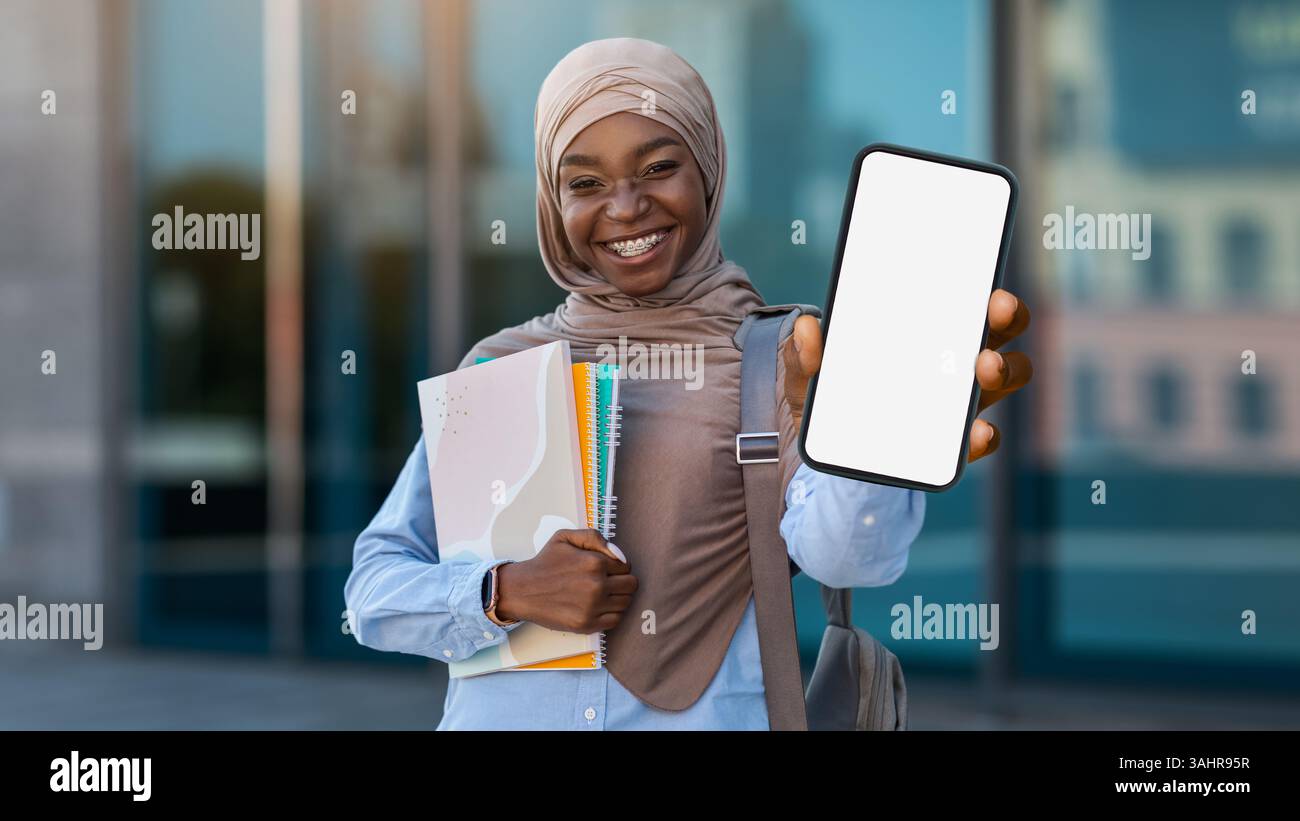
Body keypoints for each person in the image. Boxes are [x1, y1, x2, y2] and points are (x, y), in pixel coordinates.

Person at [344, 38, 1032, 730]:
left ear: (707, 169)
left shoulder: (783, 357)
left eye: (658, 167)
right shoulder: (501, 366)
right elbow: (372, 591)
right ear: (553, 203)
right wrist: (504, 590)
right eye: (584, 182)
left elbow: (851, 557)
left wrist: (866, 440)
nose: (625, 206)